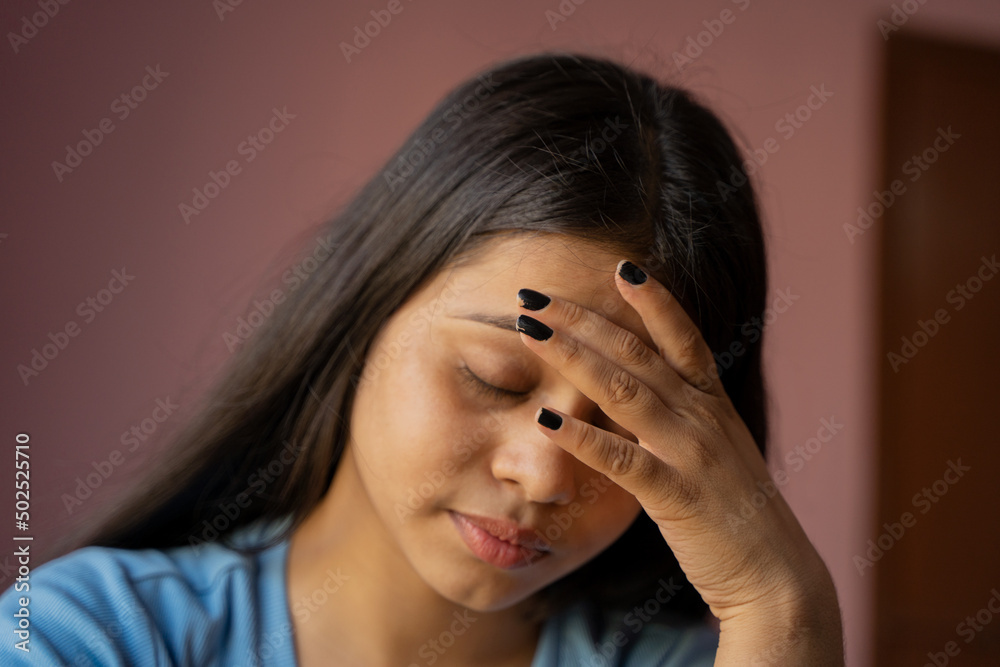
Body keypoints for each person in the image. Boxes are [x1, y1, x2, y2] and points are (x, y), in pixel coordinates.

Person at [0, 52, 844, 666]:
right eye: (494, 376)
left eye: (626, 425)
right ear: (362, 309)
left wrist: (781, 605)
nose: (544, 474)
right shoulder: (89, 636)